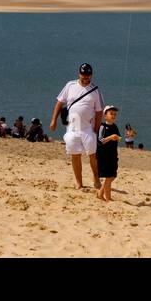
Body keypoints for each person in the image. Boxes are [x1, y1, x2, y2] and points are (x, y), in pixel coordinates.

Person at [50, 62, 104, 190]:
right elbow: (59, 103)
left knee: (93, 155)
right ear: (79, 74)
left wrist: (96, 130)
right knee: (75, 155)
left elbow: (99, 111)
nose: (86, 77)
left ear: (91, 75)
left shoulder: (95, 90)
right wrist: (54, 121)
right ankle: (79, 182)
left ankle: (96, 178)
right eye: (83, 75)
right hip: (72, 127)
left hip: (87, 128)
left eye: (88, 75)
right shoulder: (70, 85)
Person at [96, 105, 121, 203]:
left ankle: (101, 194)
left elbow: (117, 137)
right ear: (105, 116)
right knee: (109, 176)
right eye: (111, 113)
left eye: (115, 114)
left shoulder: (114, 126)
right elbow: (100, 140)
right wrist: (111, 137)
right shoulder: (103, 126)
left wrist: (117, 138)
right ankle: (108, 198)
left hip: (113, 154)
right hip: (104, 155)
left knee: (112, 176)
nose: (113, 115)